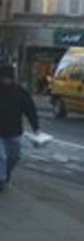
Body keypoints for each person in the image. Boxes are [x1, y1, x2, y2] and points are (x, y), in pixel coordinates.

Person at [0, 64, 40, 192]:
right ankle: (1, 180)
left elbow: (30, 110)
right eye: (3, 78)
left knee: (14, 156)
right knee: (1, 156)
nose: (5, 80)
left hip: (14, 131)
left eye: (8, 78)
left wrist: (36, 127)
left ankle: (6, 174)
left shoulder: (20, 92)